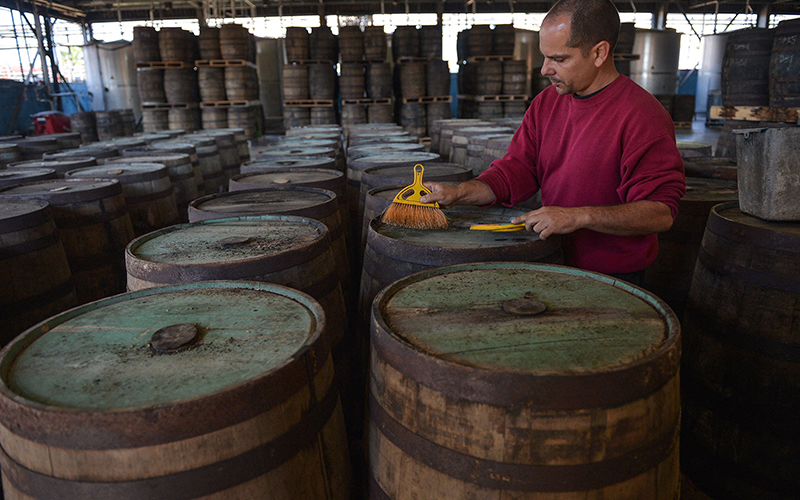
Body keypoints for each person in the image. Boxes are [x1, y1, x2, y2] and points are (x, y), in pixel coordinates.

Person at [421, 0, 686, 285]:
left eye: (559, 59)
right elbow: (517, 170)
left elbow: (659, 213)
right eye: (544, 57)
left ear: (599, 53)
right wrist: (460, 192)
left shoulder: (642, 115)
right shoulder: (546, 103)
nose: (545, 69)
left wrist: (578, 217)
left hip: (613, 278)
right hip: (551, 260)